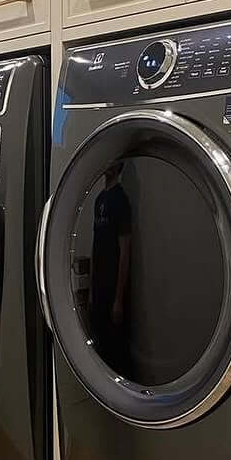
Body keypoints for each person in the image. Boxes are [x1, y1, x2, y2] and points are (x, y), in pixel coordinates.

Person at [88, 161, 132, 376]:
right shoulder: (99, 200)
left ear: (119, 165)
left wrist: (119, 299)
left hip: (113, 285)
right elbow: (96, 244)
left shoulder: (120, 200)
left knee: (115, 345)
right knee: (100, 339)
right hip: (98, 284)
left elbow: (125, 251)